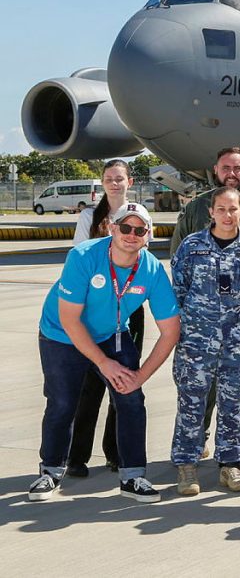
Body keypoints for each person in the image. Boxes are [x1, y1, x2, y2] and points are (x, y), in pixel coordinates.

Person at [28, 202, 180, 503]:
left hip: (112, 333)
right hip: (61, 334)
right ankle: (50, 470)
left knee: (131, 399)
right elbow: (70, 319)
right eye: (125, 227)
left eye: (140, 230)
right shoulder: (83, 256)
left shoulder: (151, 269)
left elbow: (171, 331)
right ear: (112, 228)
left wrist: (140, 376)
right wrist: (103, 362)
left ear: (148, 236)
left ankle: (133, 476)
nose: (132, 234)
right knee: (62, 403)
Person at [171, 146, 240, 464]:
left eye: (238, 168)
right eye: (226, 168)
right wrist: (192, 317)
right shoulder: (196, 207)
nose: (232, 173)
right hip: (202, 326)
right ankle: (199, 440)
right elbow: (179, 267)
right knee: (198, 386)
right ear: (216, 171)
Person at [170, 187, 240, 495]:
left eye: (233, 209)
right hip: (197, 341)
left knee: (233, 403)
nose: (227, 215)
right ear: (211, 212)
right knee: (191, 401)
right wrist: (188, 327)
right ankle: (187, 465)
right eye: (221, 209)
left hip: (237, 340)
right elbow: (179, 289)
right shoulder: (192, 246)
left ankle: (230, 463)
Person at [66, 159, 146, 478]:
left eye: (119, 178)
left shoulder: (140, 214)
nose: (114, 183)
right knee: (88, 386)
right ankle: (76, 456)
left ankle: (115, 452)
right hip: (95, 310)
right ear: (102, 182)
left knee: (123, 382)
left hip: (129, 309)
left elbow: (142, 257)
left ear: (130, 182)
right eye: (109, 178)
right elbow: (79, 259)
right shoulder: (90, 216)